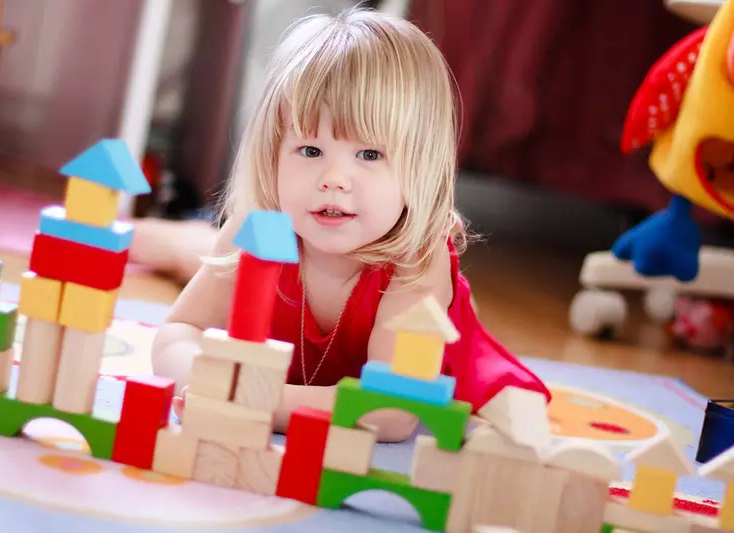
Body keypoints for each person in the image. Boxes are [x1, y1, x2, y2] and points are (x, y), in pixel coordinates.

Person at [147, 6, 551, 443]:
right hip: (279, 356)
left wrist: (252, 400)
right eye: (310, 151)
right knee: (195, 253)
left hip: (429, 360)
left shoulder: (415, 262)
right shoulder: (260, 228)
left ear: (420, 167)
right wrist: (201, 380)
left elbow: (392, 413)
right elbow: (176, 332)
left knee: (510, 424)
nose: (334, 180)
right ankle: (150, 238)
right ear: (273, 152)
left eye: (370, 155)